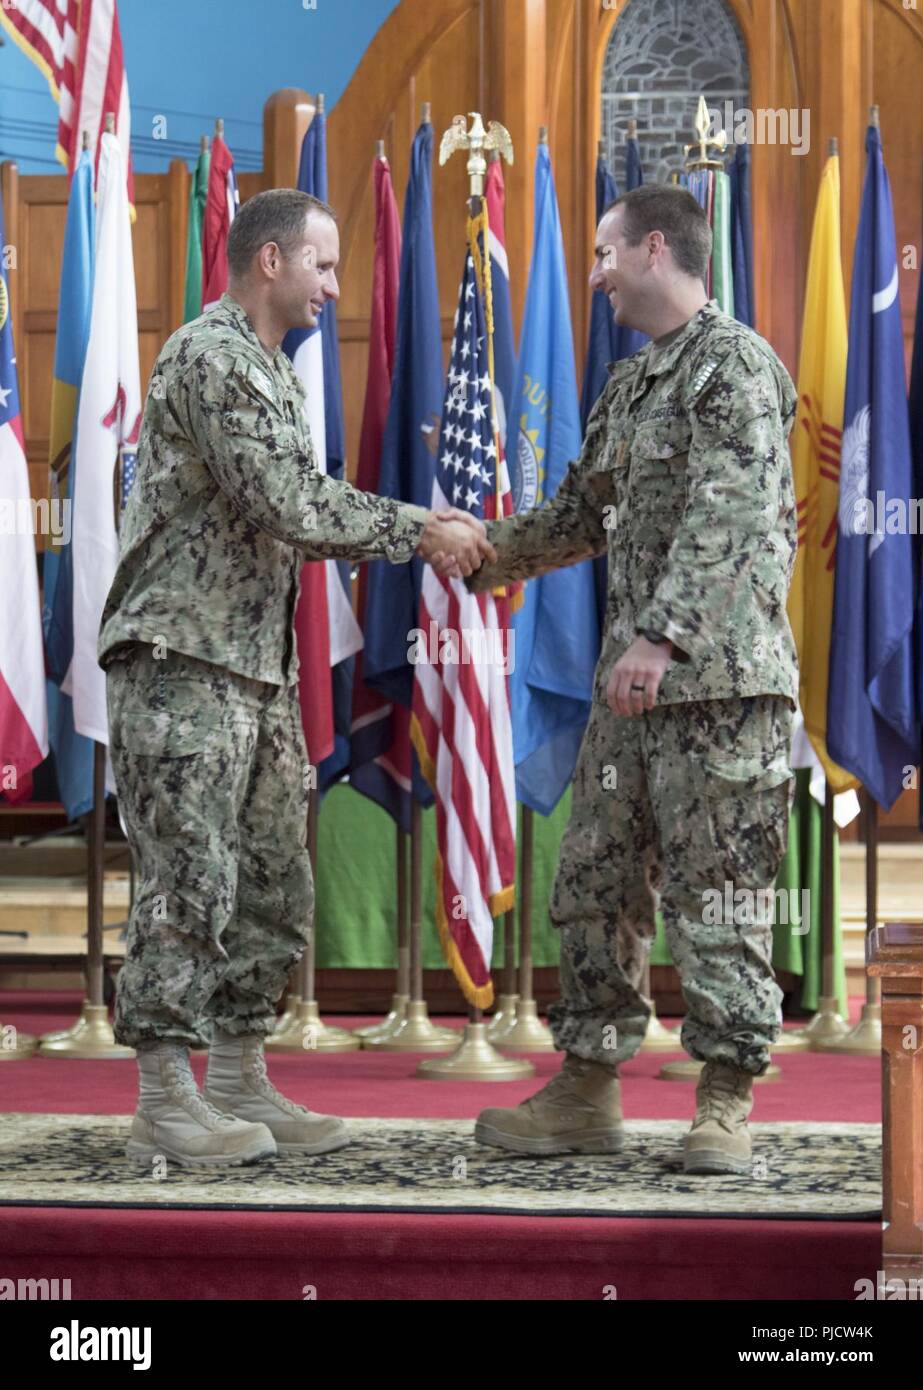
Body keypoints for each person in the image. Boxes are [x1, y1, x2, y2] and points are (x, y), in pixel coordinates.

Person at [97, 187, 495, 1168]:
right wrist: (419, 528)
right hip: (181, 663)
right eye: (320, 264)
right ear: (267, 260)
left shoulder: (269, 371)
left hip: (257, 670)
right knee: (185, 884)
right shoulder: (212, 353)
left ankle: (235, 1075)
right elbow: (287, 501)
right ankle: (163, 1098)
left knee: (273, 883)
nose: (332, 285)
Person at [464, 184, 799, 1175]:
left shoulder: (731, 367)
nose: (595, 269)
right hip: (631, 698)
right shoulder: (627, 386)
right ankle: (587, 1086)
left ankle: (724, 1099)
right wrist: (474, 554)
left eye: (604, 252)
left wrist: (659, 635)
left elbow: (732, 515)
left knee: (718, 896)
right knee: (592, 884)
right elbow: (574, 517)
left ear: (656, 249)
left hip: (715, 690)